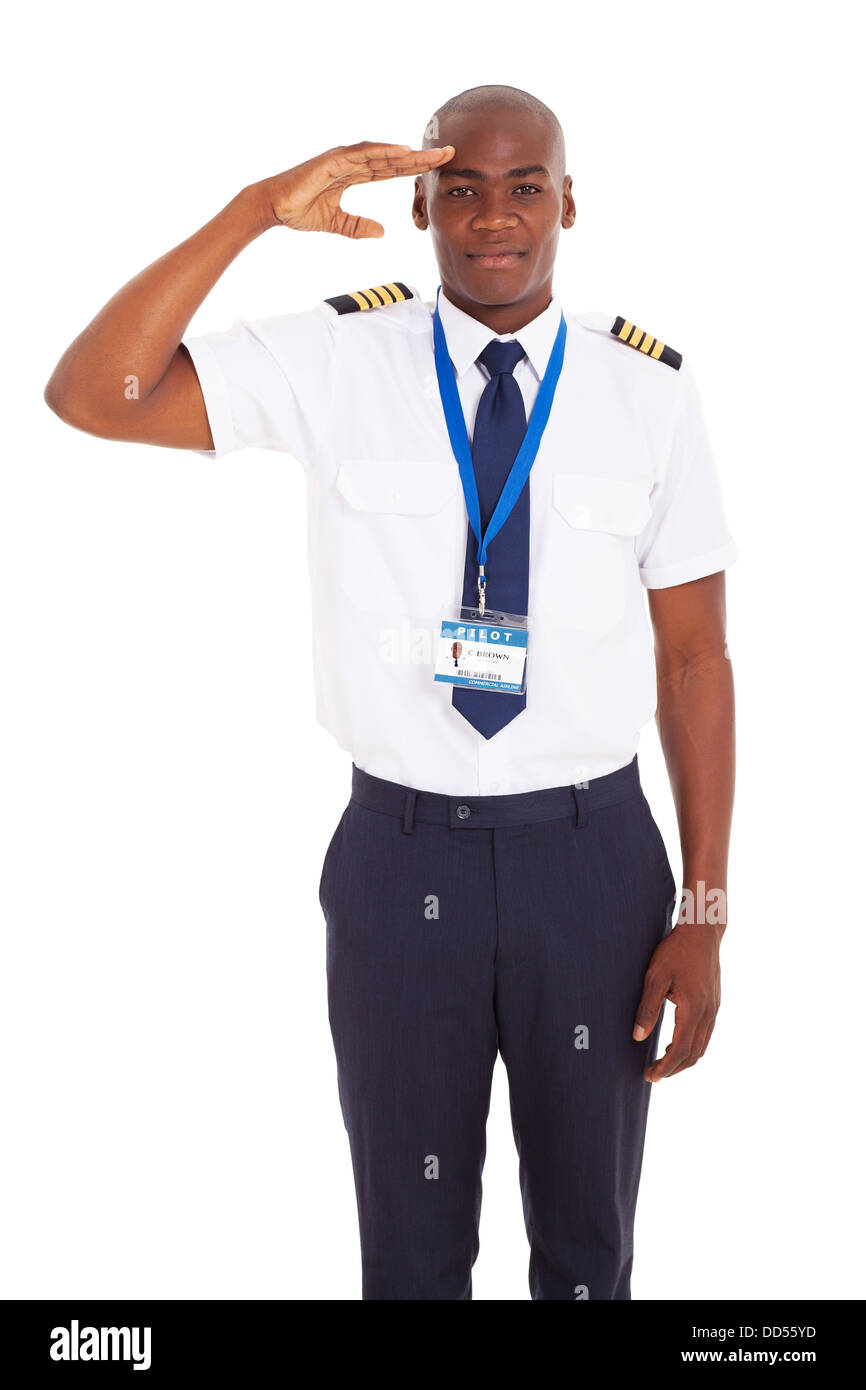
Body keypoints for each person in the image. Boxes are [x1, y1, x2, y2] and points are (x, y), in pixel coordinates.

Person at [44, 84, 736, 1301]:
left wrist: (705, 908)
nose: (491, 218)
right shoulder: (336, 355)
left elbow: (695, 662)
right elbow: (94, 393)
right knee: (408, 1258)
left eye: (524, 187)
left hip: (592, 861)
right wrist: (256, 209)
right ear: (417, 202)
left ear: (567, 201)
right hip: (397, 854)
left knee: (588, 1255)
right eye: (459, 187)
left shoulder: (649, 391)